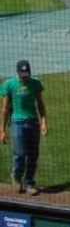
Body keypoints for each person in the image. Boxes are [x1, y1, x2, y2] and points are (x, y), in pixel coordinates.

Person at [0, 60, 48, 195]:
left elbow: (40, 104)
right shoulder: (9, 84)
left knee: (33, 155)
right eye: (22, 74)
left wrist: (43, 122)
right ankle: (16, 177)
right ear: (17, 72)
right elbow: (4, 109)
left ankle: (29, 183)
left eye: (26, 74)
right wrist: (2, 130)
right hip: (17, 123)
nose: (24, 76)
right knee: (20, 154)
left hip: (33, 123)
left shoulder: (35, 84)